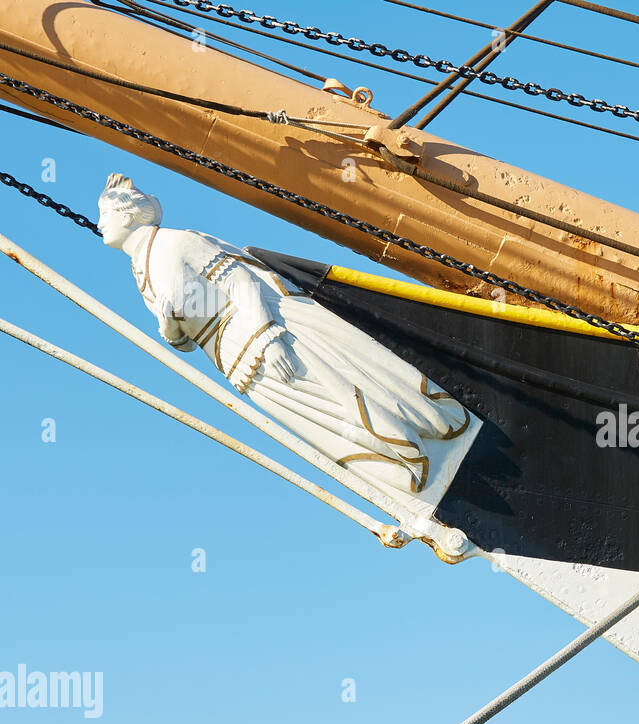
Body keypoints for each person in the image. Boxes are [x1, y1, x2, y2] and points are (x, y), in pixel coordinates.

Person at [98, 173, 473, 499]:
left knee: (343, 395)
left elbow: (239, 279)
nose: (100, 223)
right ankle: (397, 467)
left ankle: (416, 444)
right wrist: (167, 326)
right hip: (236, 363)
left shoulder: (177, 242)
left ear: (127, 214)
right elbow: (182, 340)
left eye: (105, 215)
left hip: (261, 331)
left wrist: (266, 336)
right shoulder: (140, 274)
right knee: (325, 427)